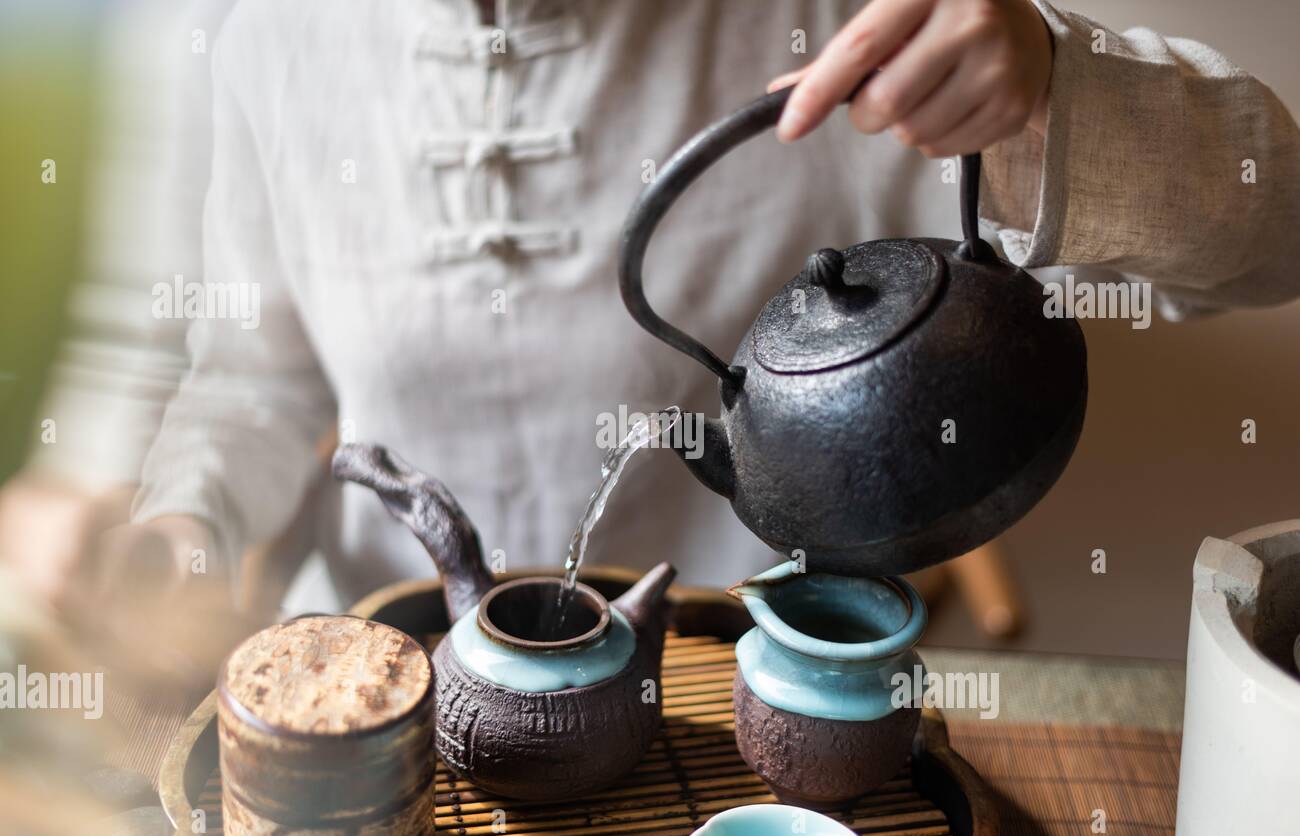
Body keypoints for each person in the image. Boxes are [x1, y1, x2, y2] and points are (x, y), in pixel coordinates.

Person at [84, 0, 1300, 674]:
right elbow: (254, 382)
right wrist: (181, 524)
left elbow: (1275, 231)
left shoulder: (832, 22)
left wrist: (1045, 93)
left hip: (752, 682)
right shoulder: (265, 44)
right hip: (386, 679)